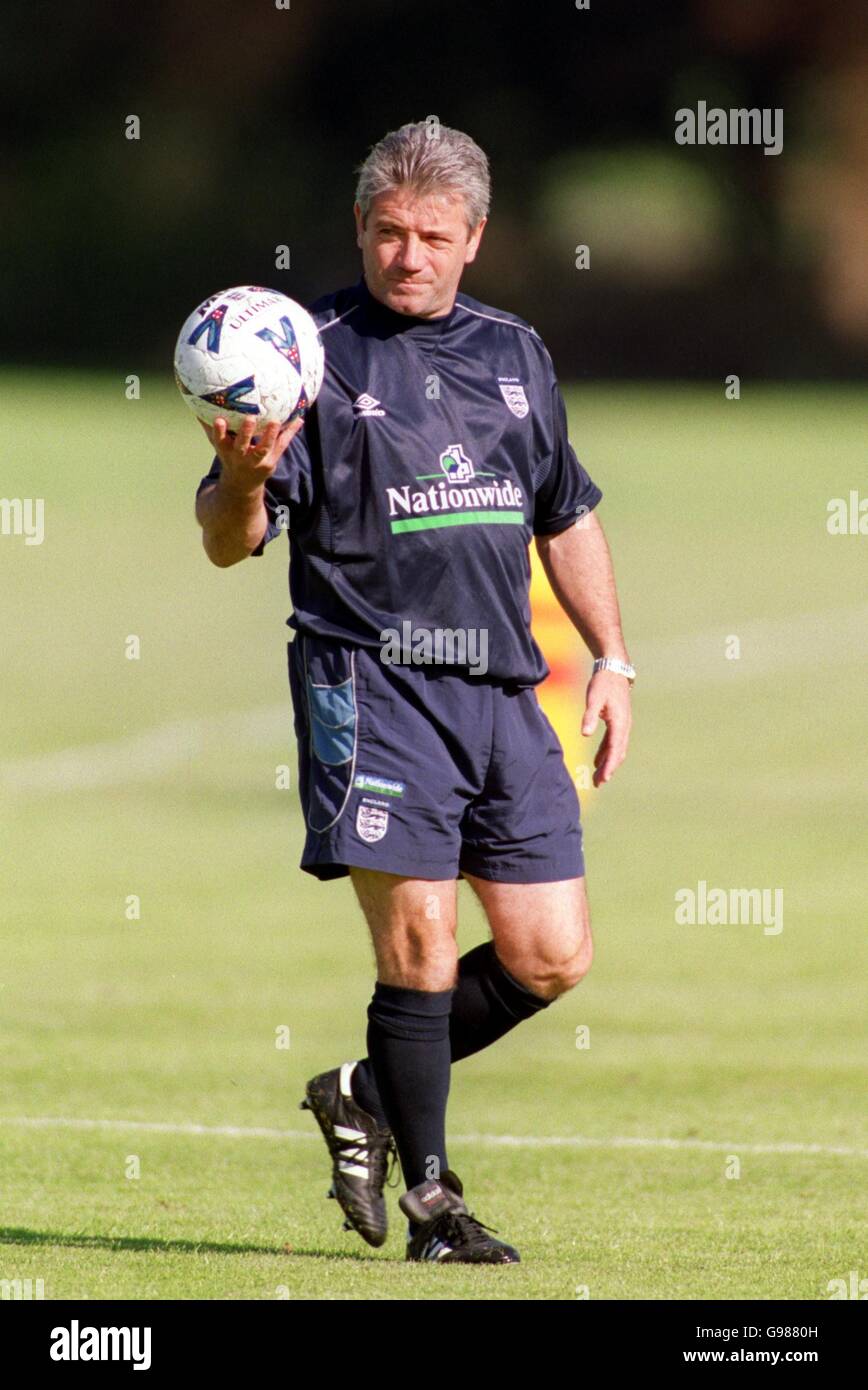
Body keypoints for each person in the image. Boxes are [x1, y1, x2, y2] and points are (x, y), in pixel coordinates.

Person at [195, 121, 634, 1264]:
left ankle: (361, 1089)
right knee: (423, 948)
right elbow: (225, 541)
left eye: (433, 236)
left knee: (550, 954)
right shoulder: (308, 353)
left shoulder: (516, 353)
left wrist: (610, 657)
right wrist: (242, 479)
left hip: (501, 691)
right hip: (372, 681)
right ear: (360, 227)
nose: (408, 256)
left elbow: (566, 510)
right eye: (388, 231)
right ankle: (435, 1207)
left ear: (474, 238)